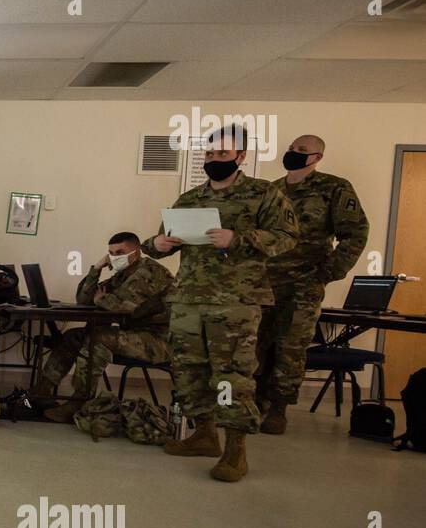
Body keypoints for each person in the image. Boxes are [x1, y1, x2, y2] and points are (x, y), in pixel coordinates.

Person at [143, 125, 298, 482]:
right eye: (209, 155)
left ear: (241, 156)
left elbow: (288, 238)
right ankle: (203, 434)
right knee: (188, 370)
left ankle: (235, 450)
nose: (214, 160)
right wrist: (158, 243)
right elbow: (158, 242)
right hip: (188, 299)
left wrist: (239, 238)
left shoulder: (264, 194)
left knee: (231, 377)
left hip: (235, 302)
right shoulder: (190, 198)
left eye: (222, 155)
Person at [255, 135, 368, 434]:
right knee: (256, 344)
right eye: (292, 148)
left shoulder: (334, 187)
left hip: (304, 282)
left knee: (290, 346)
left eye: (301, 150)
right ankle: (255, 403)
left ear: (317, 157)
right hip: (266, 281)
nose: (293, 153)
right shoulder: (273, 190)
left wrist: (328, 271)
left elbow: (355, 233)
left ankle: (278, 409)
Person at [33, 232, 173, 423]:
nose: (115, 257)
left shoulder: (149, 272)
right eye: (111, 253)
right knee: (73, 336)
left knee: (99, 338)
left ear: (136, 252)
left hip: (158, 339)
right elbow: (84, 300)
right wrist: (97, 268)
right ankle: (42, 392)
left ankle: (79, 401)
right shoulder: (122, 275)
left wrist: (104, 299)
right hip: (135, 333)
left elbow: (126, 307)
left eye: (120, 252)